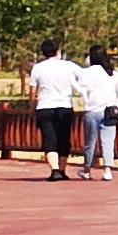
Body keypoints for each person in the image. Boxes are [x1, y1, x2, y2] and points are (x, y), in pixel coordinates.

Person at [28, 38, 86, 181]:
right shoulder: (68, 66)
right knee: (63, 138)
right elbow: (85, 76)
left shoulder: (38, 68)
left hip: (45, 106)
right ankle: (62, 169)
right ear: (58, 51)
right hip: (65, 105)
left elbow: (33, 91)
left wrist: (31, 107)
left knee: (49, 138)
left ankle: (54, 170)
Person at [81, 51, 118, 179]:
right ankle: (107, 171)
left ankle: (87, 170)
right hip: (109, 111)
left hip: (92, 110)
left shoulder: (86, 73)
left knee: (90, 142)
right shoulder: (113, 74)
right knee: (108, 142)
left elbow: (81, 88)